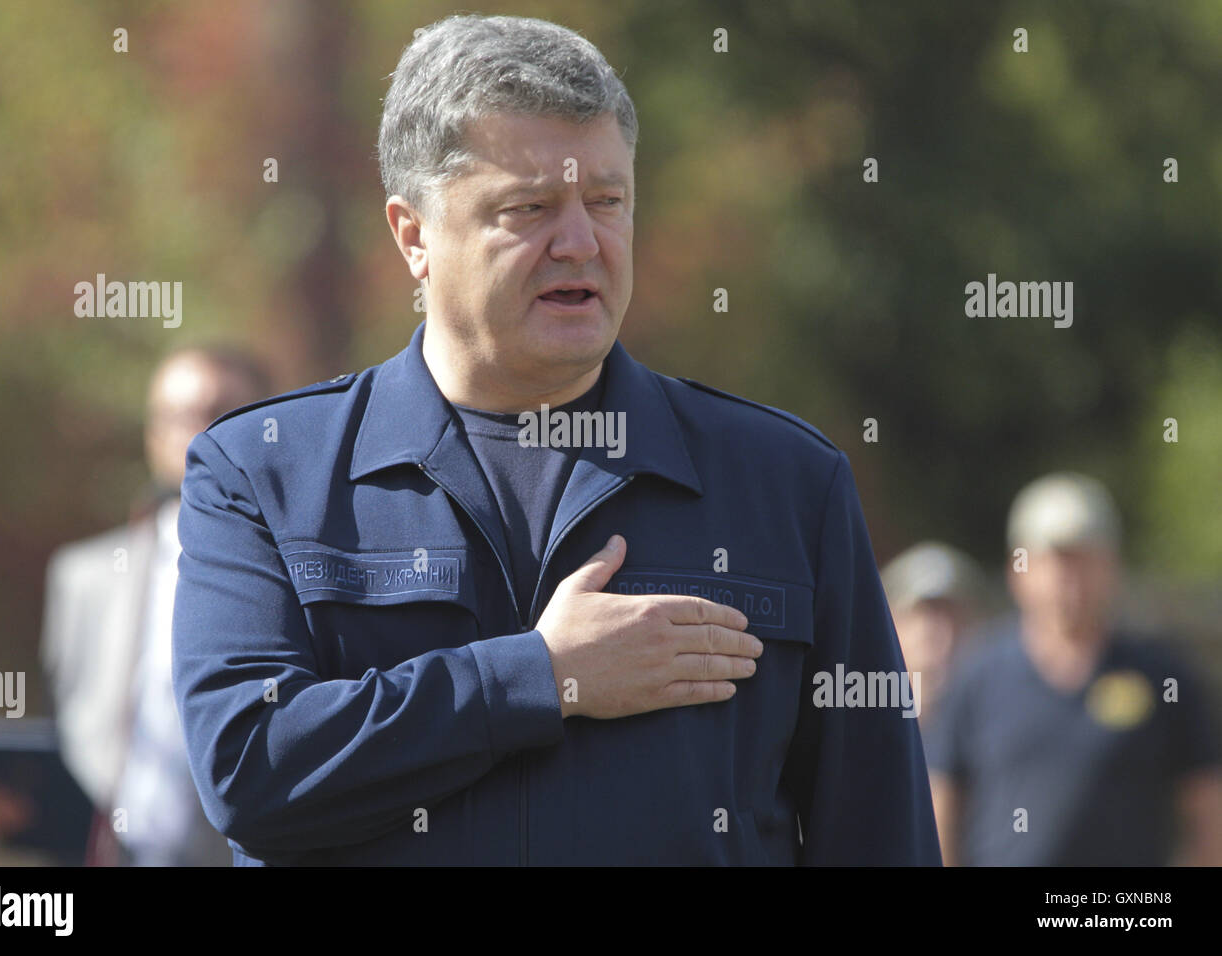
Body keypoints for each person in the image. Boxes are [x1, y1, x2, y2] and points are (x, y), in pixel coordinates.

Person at [172, 14, 940, 866]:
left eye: (607, 201)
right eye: (528, 207)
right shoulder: (264, 471)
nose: (581, 243)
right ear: (414, 235)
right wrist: (540, 676)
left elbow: (877, 832)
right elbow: (249, 769)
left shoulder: (787, 482)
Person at [18, 347, 267, 865]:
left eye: (216, 413)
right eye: (175, 417)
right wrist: (23, 808)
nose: (194, 435)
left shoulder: (295, 566)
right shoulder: (83, 577)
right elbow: (69, 737)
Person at [924, 472, 1222, 866]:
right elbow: (941, 805)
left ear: (1112, 567)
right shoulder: (978, 676)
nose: (1070, 581)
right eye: (1056, 562)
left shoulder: (1163, 677)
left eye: (1085, 561)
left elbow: (1207, 813)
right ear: (1019, 571)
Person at [881, 541, 985, 724]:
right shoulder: (859, 721)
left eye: (953, 615)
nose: (943, 630)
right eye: (924, 612)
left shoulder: (996, 717)